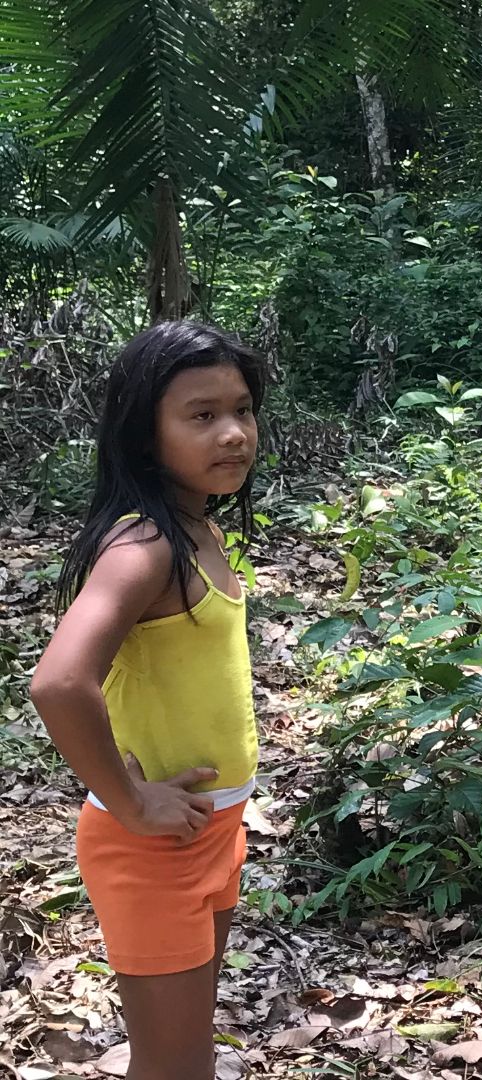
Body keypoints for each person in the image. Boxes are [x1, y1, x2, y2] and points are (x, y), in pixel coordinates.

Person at [30, 321, 267, 1080]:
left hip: (214, 828)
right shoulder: (146, 545)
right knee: (174, 1068)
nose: (232, 433)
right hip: (153, 848)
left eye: (242, 410)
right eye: (201, 416)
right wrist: (131, 802)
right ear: (143, 431)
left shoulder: (197, 525)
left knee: (186, 1055)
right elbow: (58, 683)